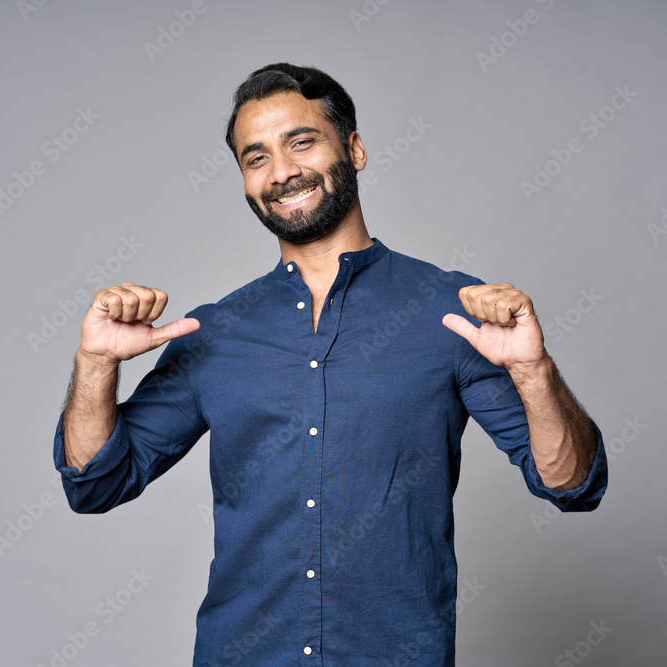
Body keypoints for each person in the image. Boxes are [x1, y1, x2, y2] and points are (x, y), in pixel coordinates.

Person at [53, 63, 608, 665]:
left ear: (355, 149)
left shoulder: (451, 314)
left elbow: (572, 484)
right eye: (255, 157)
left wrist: (533, 372)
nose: (283, 171)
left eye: (302, 142)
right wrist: (95, 363)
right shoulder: (215, 332)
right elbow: (96, 484)